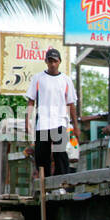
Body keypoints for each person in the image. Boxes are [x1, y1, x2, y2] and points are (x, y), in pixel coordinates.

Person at [24, 48, 78, 178]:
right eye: (50, 61)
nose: (52, 64)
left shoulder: (66, 80)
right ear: (46, 62)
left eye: (55, 61)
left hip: (60, 121)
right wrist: (27, 121)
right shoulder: (38, 78)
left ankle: (61, 181)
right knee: (42, 154)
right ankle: (46, 182)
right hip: (43, 122)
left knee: (60, 152)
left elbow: (71, 103)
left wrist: (76, 126)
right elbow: (31, 101)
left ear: (59, 61)